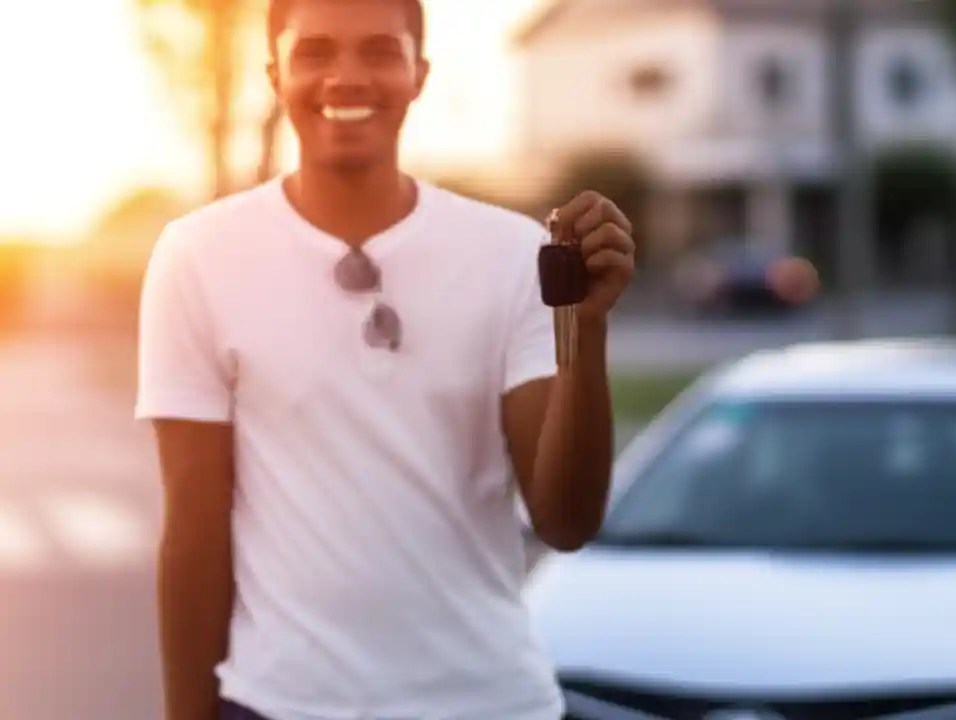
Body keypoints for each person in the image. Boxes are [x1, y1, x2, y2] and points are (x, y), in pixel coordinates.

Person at [134, 0, 636, 718]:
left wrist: (584, 331)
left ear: (418, 74)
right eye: (315, 52)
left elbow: (564, 519)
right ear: (275, 73)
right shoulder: (198, 256)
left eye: (378, 51)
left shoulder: (510, 252)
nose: (346, 76)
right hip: (282, 704)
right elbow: (193, 526)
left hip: (487, 702)